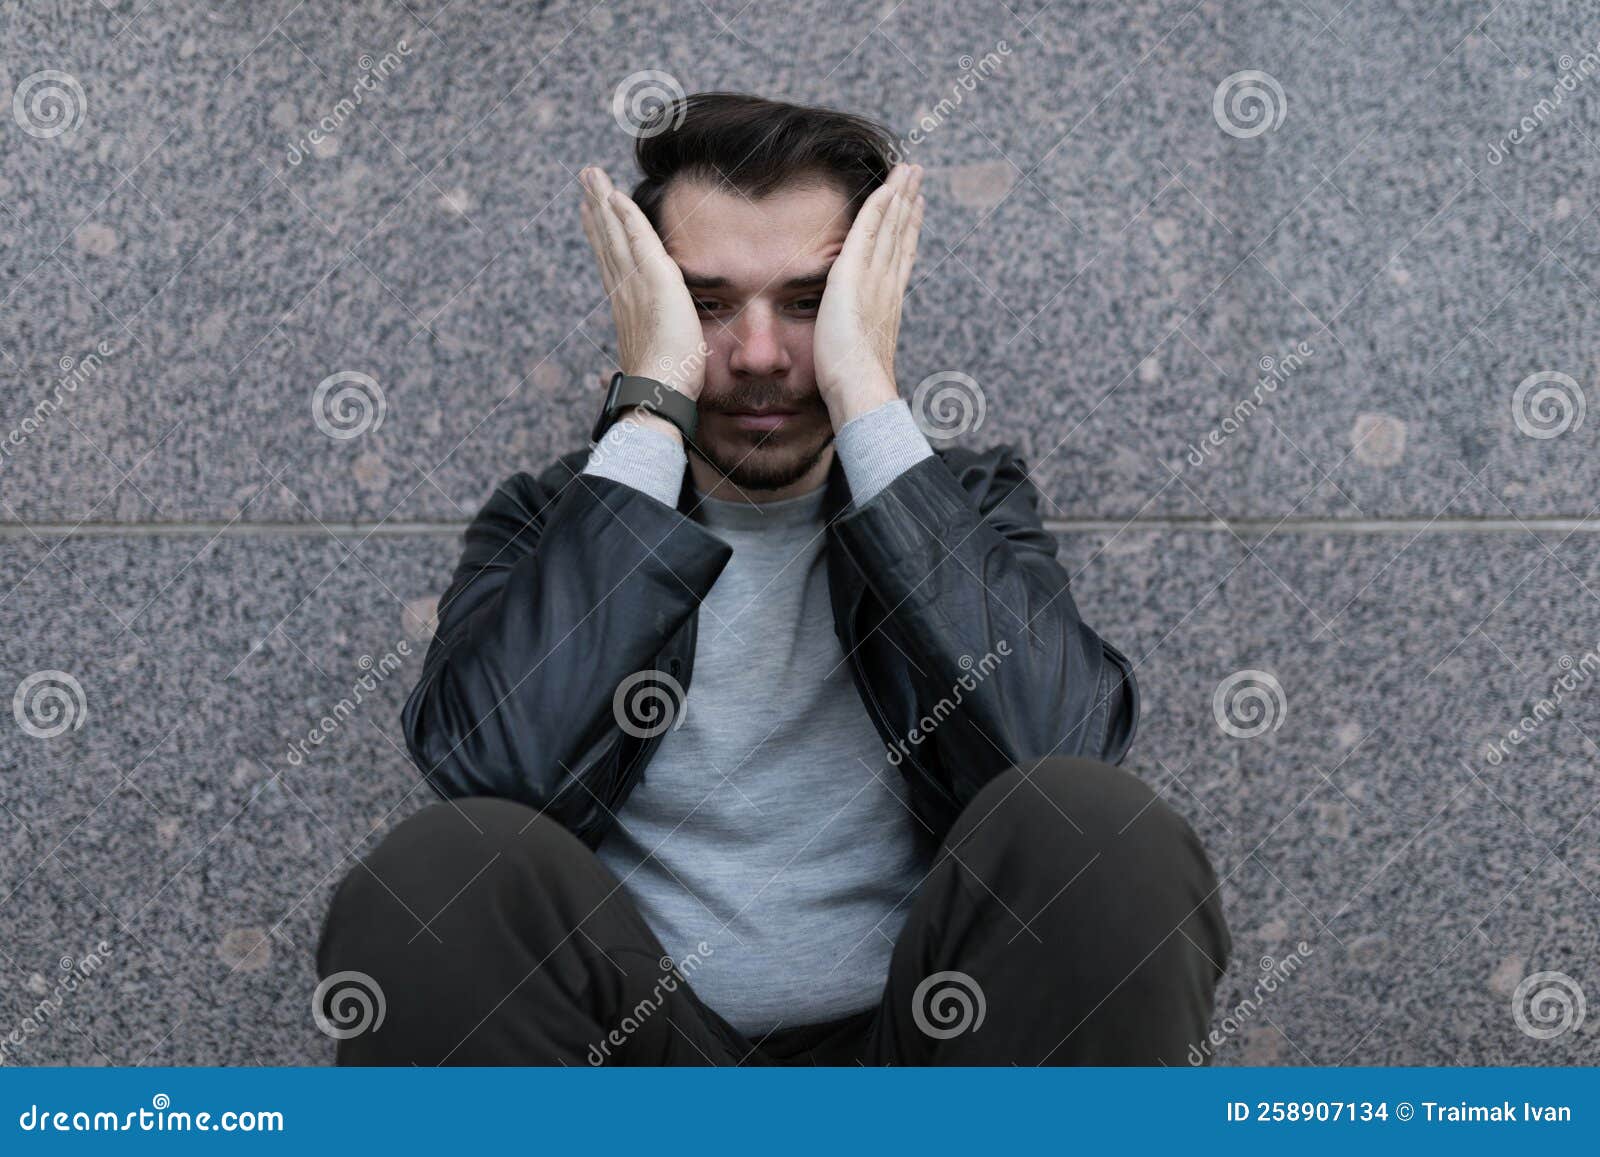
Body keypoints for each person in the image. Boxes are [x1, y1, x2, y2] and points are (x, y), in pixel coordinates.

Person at [315, 92, 1230, 1066]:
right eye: (707, 304)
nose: (756, 356)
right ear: (648, 305)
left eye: (807, 302)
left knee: (1099, 831)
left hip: (920, 1070)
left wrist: (868, 397)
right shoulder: (551, 523)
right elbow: (490, 783)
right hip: (640, 1068)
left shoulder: (966, 502)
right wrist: (650, 406)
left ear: (869, 301)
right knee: (439, 871)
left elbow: (1062, 762)